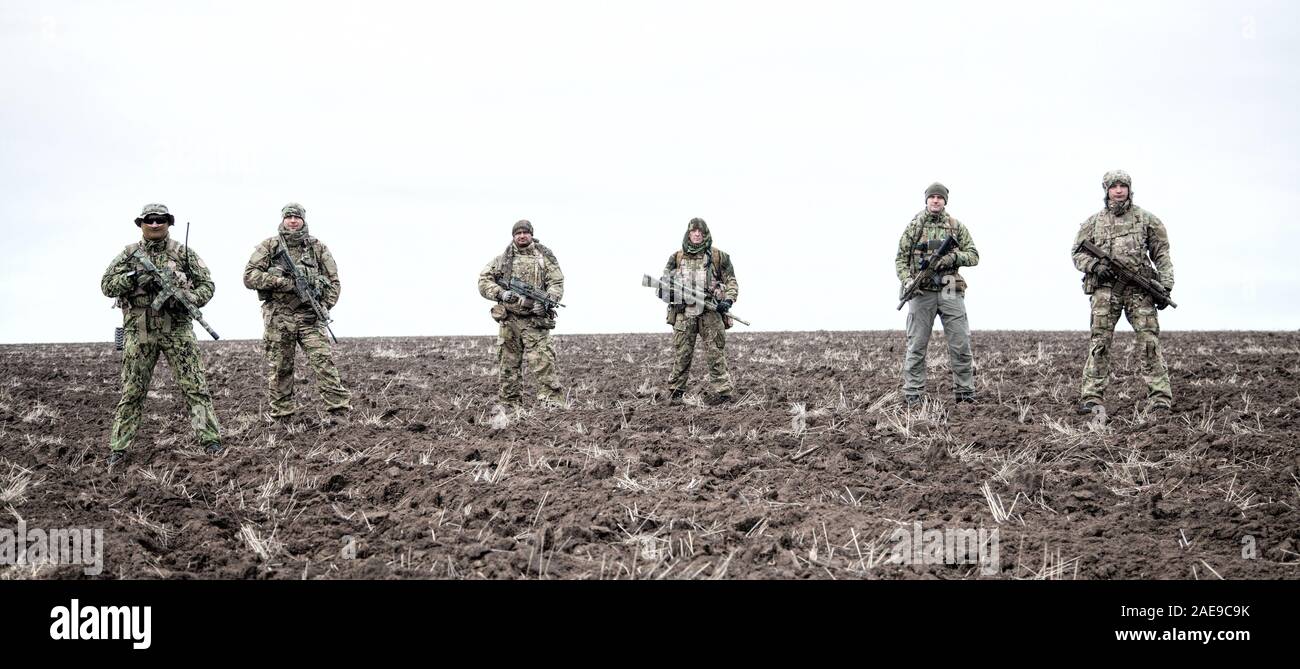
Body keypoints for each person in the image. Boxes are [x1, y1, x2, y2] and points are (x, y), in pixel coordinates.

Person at [100, 203, 223, 465]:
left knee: (195, 389)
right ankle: (119, 449)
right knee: (132, 393)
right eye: (150, 220)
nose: (155, 224)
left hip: (177, 330)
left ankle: (210, 440)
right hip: (139, 331)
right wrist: (134, 277)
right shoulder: (129, 255)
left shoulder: (183, 253)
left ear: (168, 223)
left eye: (160, 220)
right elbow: (107, 285)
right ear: (141, 224)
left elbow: (208, 286)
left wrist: (187, 297)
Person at [1071, 170, 1175, 414]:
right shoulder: (1092, 223)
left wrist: (1166, 286)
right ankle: (1092, 397)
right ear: (1106, 190)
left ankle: (1159, 397)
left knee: (1149, 342)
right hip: (1105, 292)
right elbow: (1077, 253)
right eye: (1113, 186)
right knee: (1100, 344)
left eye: (1123, 185)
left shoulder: (1147, 220)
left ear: (1130, 189)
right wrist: (1096, 266)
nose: (1118, 190)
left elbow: (1162, 255)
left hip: (1139, 292)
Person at [242, 202, 351, 419]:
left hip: (310, 317)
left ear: (303, 220)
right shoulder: (269, 246)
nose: (293, 221)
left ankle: (338, 412)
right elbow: (249, 276)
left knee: (323, 362)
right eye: (289, 217)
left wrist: (323, 306)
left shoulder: (317, 247)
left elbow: (334, 282)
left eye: (297, 217)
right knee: (281, 366)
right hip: (279, 317)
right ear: (283, 220)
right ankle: (282, 415)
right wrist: (284, 283)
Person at [895, 182, 980, 405]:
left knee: (960, 343)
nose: (935, 200)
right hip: (922, 291)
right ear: (926, 200)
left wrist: (952, 258)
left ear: (944, 201)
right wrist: (908, 280)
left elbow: (973, 255)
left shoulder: (956, 227)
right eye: (932, 197)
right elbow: (901, 260)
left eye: (939, 197)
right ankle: (913, 394)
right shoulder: (914, 226)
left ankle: (965, 394)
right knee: (917, 344)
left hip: (950, 286)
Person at [477, 220, 565, 406]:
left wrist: (546, 304)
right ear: (513, 236)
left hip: (535, 321)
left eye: (526, 232)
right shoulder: (502, 260)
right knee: (508, 366)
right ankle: (510, 407)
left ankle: (552, 406)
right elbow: (484, 281)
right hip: (509, 321)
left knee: (544, 364)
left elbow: (556, 284)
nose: (522, 235)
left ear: (531, 234)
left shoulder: (544, 258)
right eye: (518, 233)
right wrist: (501, 293)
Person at [662, 217, 738, 405]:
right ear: (688, 234)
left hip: (710, 314)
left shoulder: (719, 256)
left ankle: (724, 395)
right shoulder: (677, 257)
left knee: (715, 354)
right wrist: (676, 294)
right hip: (684, 314)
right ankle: (675, 394)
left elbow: (731, 282)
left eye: (700, 232)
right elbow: (662, 287)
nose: (697, 234)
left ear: (705, 234)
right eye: (693, 231)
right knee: (682, 355)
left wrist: (727, 301)